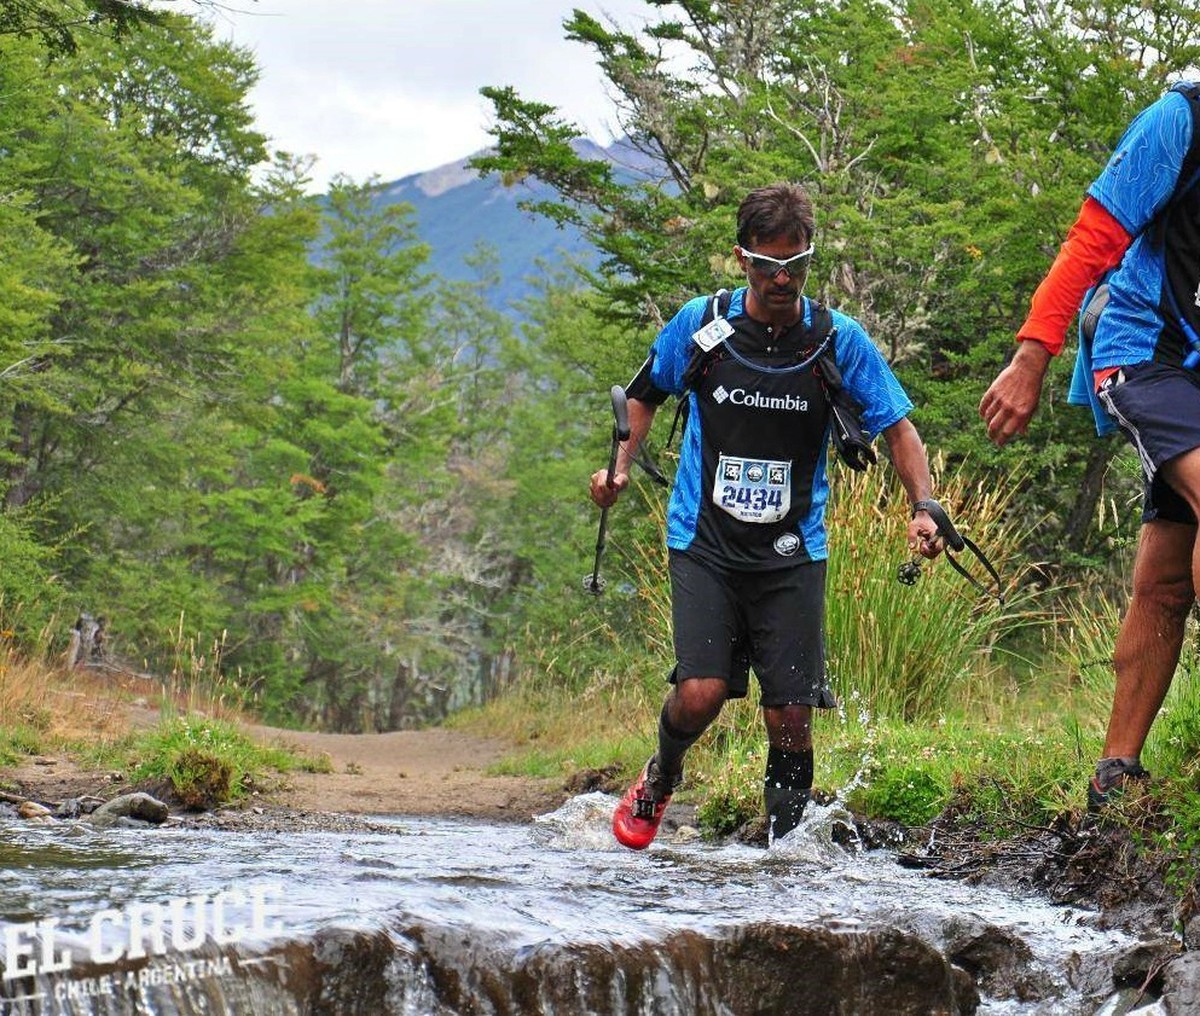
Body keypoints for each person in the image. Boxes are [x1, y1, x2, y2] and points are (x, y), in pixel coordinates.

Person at [589, 182, 944, 850]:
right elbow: (644, 395)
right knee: (700, 693)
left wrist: (922, 506)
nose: (783, 281)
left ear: (811, 258)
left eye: (797, 266)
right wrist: (620, 466)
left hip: (791, 549)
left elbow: (898, 429)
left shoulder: (838, 340)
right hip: (704, 540)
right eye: (767, 266)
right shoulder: (704, 323)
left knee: (791, 715)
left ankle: (786, 856)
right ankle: (661, 776)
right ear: (741, 260)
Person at [979, 82, 1200, 810]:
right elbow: (1090, 241)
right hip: (1144, 352)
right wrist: (1032, 354)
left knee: (1167, 574)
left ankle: (1116, 773)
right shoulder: (1180, 121)